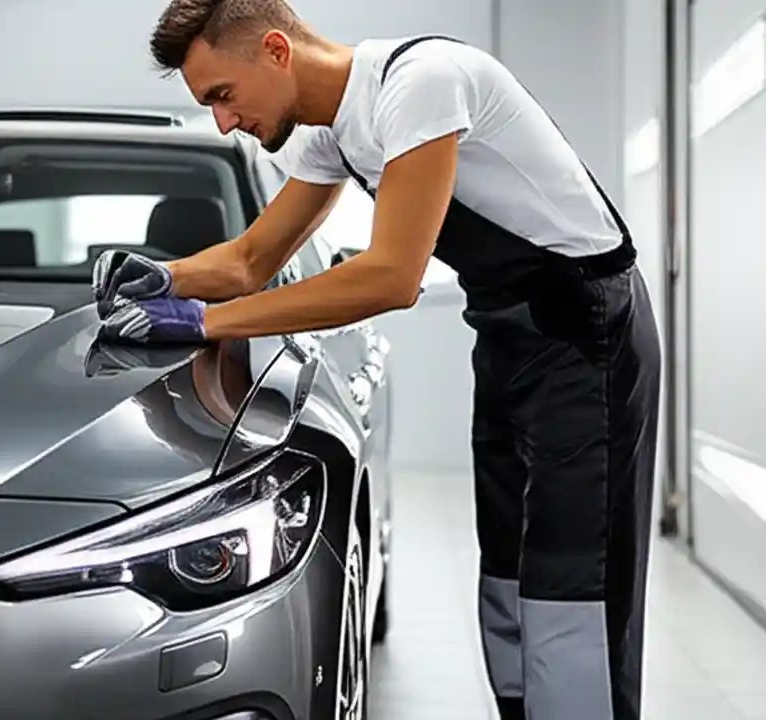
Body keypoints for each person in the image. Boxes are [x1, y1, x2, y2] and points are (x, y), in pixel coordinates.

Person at [92, 1, 663, 719]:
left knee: (572, 588)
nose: (224, 122)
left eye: (222, 96)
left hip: (587, 335)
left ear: (275, 50)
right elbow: (249, 259)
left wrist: (205, 322)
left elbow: (391, 276)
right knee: (511, 580)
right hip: (509, 337)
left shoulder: (420, 84)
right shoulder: (333, 131)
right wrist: (167, 277)